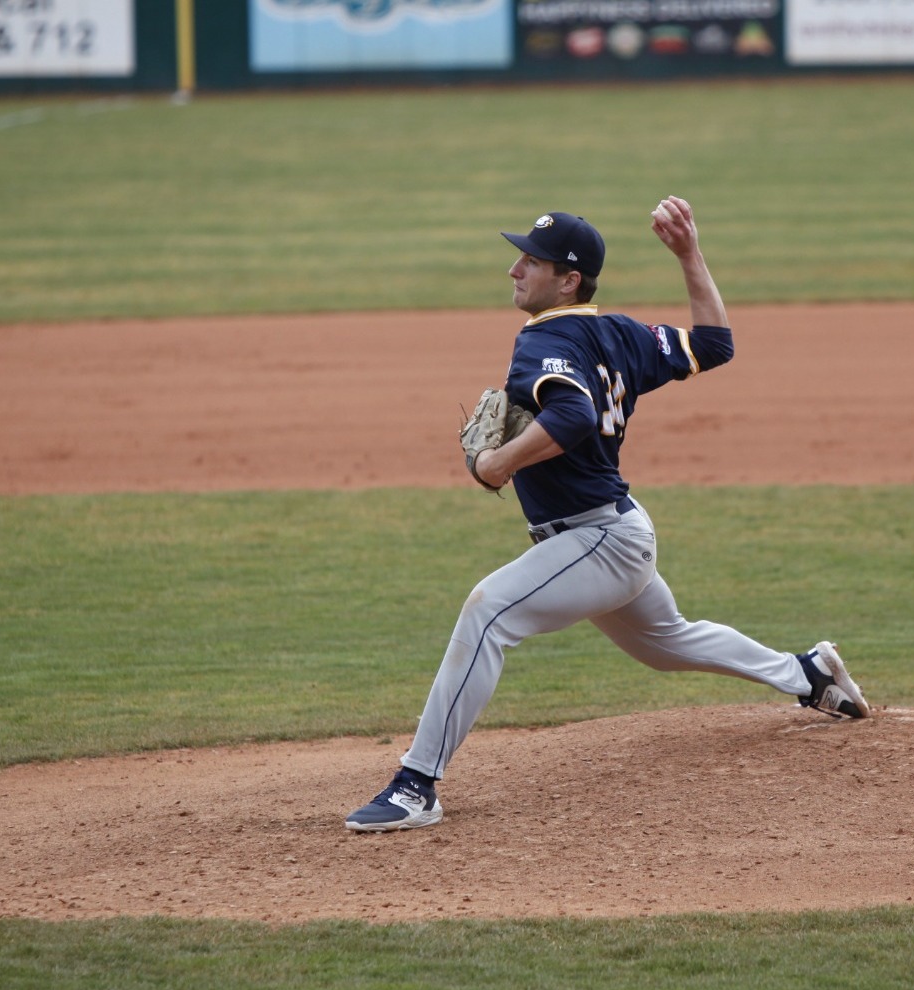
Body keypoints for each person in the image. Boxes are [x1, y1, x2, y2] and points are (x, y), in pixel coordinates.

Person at [346, 197, 869, 832]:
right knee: (668, 643)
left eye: (531, 261)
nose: (514, 270)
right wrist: (689, 255)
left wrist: (497, 465)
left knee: (488, 612)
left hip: (599, 537)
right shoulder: (617, 331)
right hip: (614, 533)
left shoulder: (543, 338)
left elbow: (571, 417)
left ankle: (416, 784)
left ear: (568, 280)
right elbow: (714, 343)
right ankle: (807, 672)